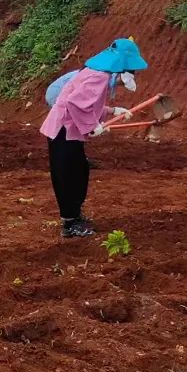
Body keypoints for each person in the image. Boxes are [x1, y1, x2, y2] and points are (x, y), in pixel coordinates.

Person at [40, 38, 144, 238]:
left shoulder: (98, 73)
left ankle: (74, 216)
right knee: (68, 174)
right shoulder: (99, 76)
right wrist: (92, 126)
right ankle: (70, 223)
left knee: (79, 170)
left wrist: (113, 110)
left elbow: (89, 104)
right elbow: (75, 104)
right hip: (64, 129)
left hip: (69, 130)